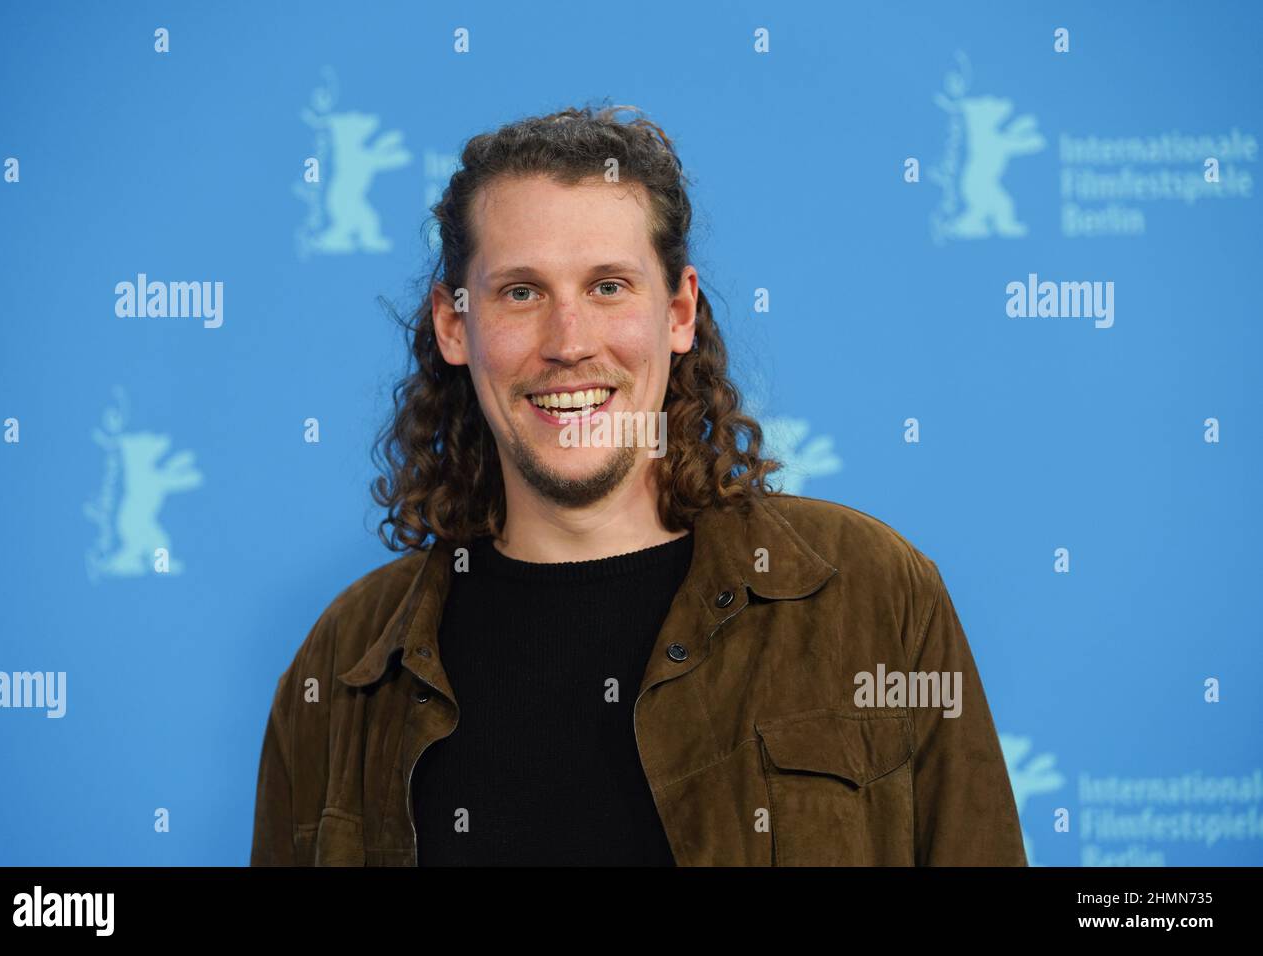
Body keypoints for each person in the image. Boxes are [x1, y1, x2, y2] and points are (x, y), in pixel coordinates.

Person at [250, 103, 1027, 866]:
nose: (569, 343)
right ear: (455, 326)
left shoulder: (870, 593)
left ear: (680, 311)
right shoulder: (346, 668)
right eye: (521, 292)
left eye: (608, 287)